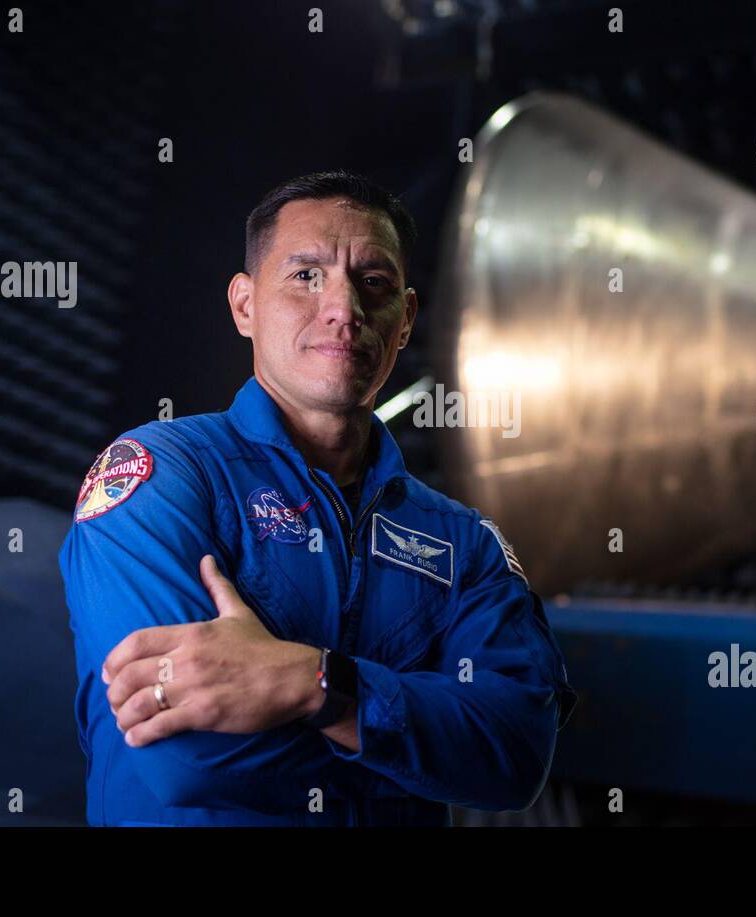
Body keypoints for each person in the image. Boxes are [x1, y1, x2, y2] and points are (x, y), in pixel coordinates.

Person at [58, 170, 576, 826]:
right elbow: (185, 756)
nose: (343, 309)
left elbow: (516, 754)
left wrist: (313, 684)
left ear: (407, 318)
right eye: (306, 275)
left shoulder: (462, 542)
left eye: (374, 283)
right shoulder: (162, 477)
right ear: (244, 305)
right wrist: (406, 752)